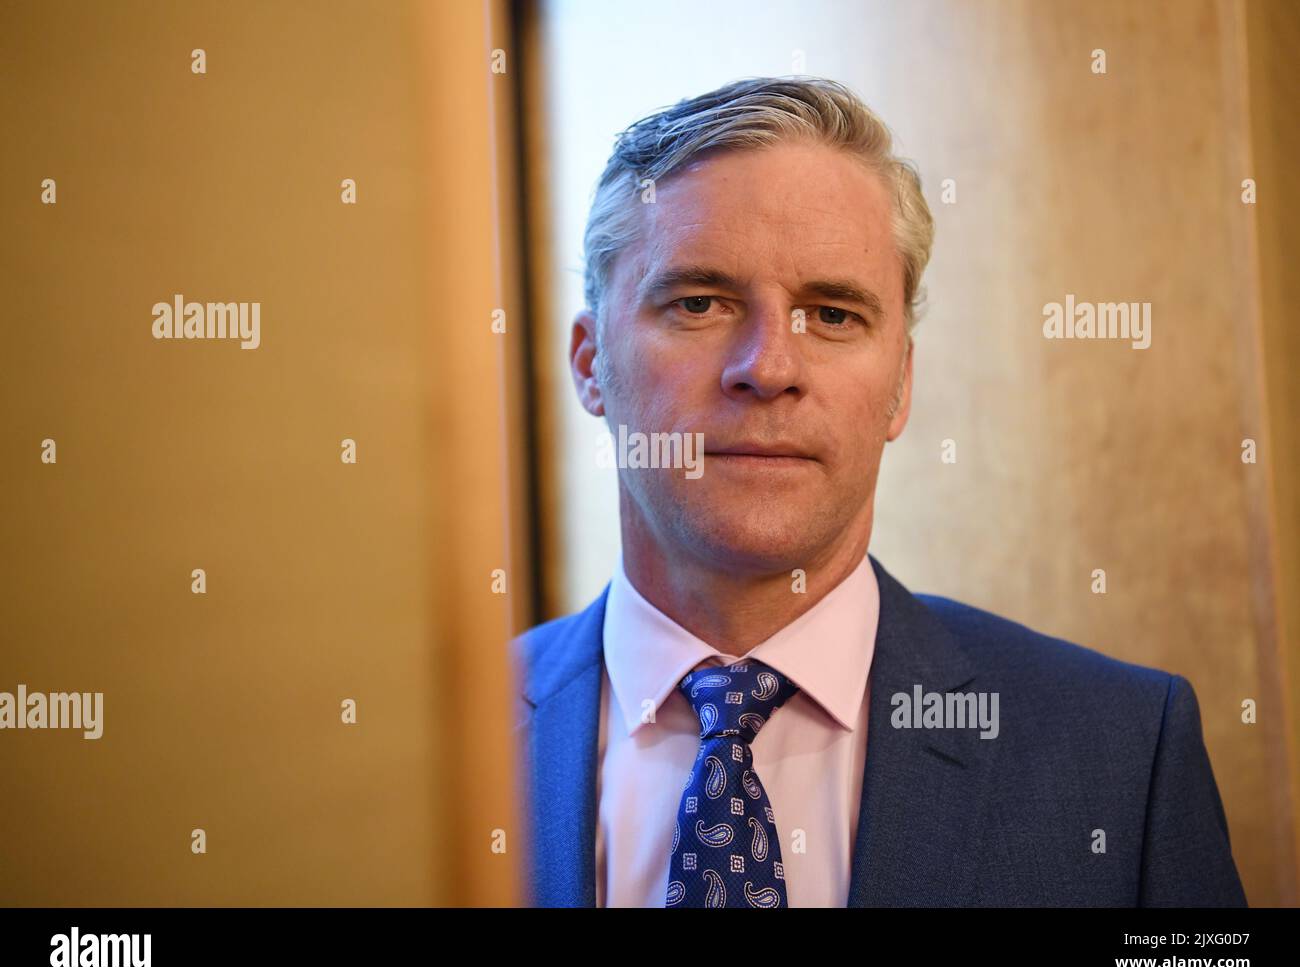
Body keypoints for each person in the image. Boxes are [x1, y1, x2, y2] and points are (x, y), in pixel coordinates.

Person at [511, 76, 1247, 908]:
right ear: (588, 364)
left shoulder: (1121, 752)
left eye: (831, 315)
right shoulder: (427, 759)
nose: (769, 368)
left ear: (901, 385)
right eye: (699, 301)